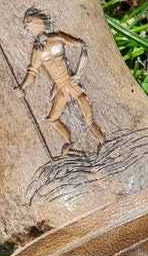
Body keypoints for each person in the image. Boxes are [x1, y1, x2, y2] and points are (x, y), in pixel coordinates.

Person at [18, 9, 105, 153]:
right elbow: (32, 71)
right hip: (60, 87)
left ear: (39, 22)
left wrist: (78, 73)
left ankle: (102, 140)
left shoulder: (58, 38)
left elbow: (82, 45)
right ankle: (68, 141)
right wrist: (23, 87)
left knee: (87, 115)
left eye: (29, 21)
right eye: (26, 23)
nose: (26, 25)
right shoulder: (37, 50)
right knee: (53, 118)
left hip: (71, 81)